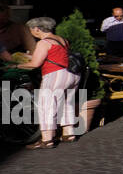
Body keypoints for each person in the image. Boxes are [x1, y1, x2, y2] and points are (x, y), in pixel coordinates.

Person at [10, 17, 80, 149]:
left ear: (37, 29)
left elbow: (35, 64)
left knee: (46, 105)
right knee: (66, 103)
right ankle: (68, 134)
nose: (30, 32)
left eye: (30, 29)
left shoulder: (44, 42)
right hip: (72, 75)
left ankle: (47, 140)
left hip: (55, 75)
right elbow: (55, 56)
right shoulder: (61, 39)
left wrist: (16, 66)